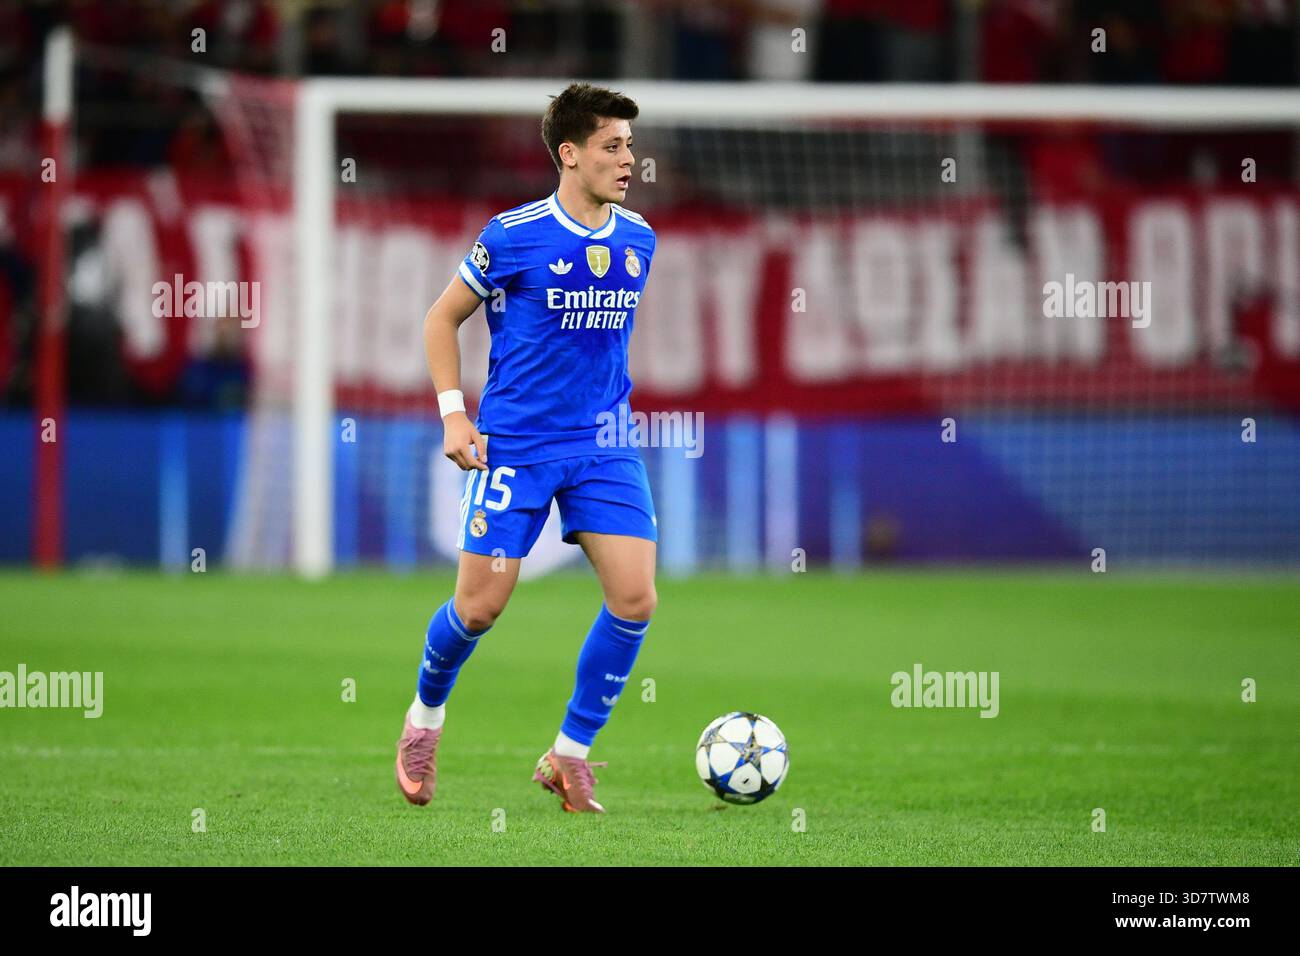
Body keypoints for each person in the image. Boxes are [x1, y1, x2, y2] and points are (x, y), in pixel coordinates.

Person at [395, 82, 659, 814]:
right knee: (479, 609)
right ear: (569, 155)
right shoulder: (513, 236)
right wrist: (454, 416)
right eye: (613, 146)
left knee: (635, 597)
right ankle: (424, 719)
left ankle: (568, 756)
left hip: (604, 443)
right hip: (515, 446)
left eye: (631, 146)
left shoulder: (639, 240)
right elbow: (441, 320)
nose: (629, 159)